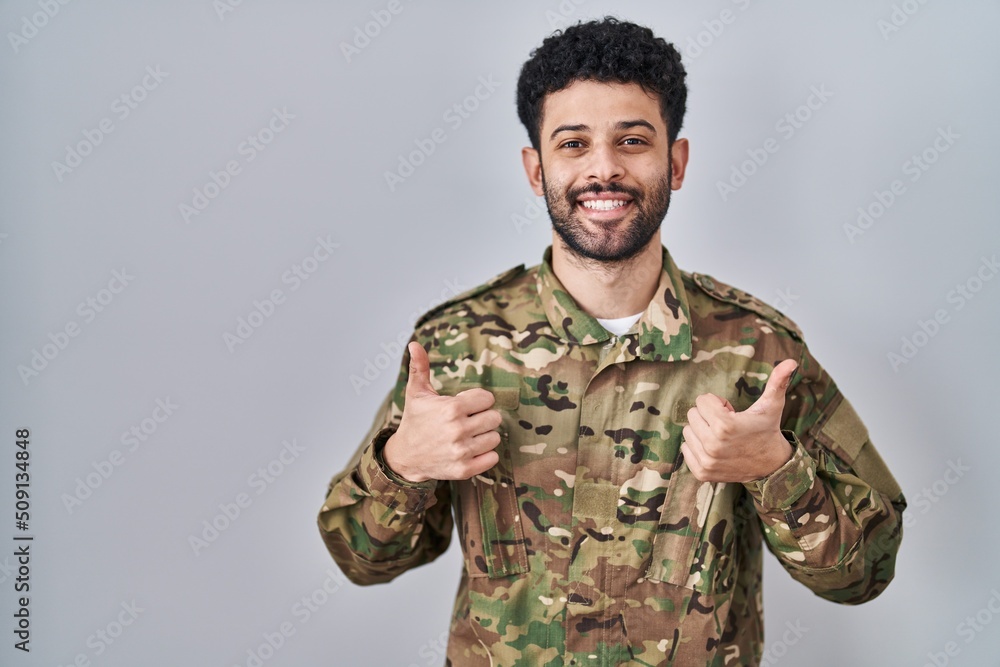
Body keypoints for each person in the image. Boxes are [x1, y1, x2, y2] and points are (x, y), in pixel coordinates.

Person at [317, 17, 906, 667]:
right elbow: (359, 558)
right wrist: (402, 463)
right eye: (573, 144)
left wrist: (775, 467)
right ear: (535, 169)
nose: (604, 168)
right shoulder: (457, 347)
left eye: (632, 140)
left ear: (674, 163)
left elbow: (863, 573)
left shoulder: (757, 349)